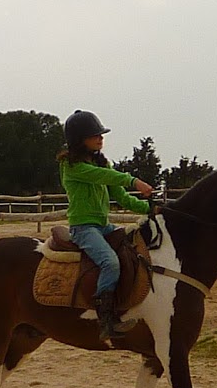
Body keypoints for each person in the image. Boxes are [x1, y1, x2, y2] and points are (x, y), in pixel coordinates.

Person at [58, 110, 155, 339]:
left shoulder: (101, 163)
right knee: (110, 262)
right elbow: (103, 177)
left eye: (101, 134)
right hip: (84, 228)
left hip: (103, 226)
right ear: (80, 139)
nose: (101, 138)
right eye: (95, 135)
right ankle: (106, 319)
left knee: (134, 250)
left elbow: (122, 198)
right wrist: (134, 180)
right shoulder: (71, 166)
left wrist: (150, 209)